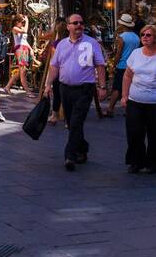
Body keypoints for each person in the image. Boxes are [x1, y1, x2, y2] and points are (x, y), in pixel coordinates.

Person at [39, 13, 107, 171]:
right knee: (71, 122)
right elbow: (54, 66)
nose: (79, 26)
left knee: (76, 121)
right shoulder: (62, 44)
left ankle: (70, 155)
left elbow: (100, 65)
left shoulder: (91, 43)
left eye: (81, 23)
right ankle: (82, 148)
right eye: (75, 23)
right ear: (68, 26)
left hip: (84, 88)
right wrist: (48, 85)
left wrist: (102, 87)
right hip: (65, 88)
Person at [120, 22, 156, 174]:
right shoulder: (135, 54)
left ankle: (154, 163)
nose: (145, 37)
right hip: (135, 101)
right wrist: (124, 95)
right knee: (134, 133)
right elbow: (127, 75)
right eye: (142, 35)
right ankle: (136, 161)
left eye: (148, 35)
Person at [103, 13, 140, 117]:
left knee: (117, 88)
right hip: (134, 65)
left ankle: (110, 109)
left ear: (123, 25)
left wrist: (114, 64)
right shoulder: (137, 37)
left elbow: (119, 53)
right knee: (130, 88)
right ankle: (130, 110)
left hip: (123, 65)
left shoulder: (122, 37)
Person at [38, 18, 68, 124]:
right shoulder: (70, 40)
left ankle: (55, 115)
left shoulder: (57, 41)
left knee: (57, 92)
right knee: (66, 93)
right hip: (68, 70)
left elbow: (55, 60)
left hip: (58, 69)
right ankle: (65, 117)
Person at [4, 15, 32, 94]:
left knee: (21, 71)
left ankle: (7, 86)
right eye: (22, 22)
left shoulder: (21, 28)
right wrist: (27, 21)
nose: (23, 24)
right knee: (22, 71)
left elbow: (24, 41)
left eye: (23, 22)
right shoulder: (14, 28)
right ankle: (28, 91)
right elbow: (25, 31)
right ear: (17, 22)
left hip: (24, 48)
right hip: (20, 49)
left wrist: (31, 49)